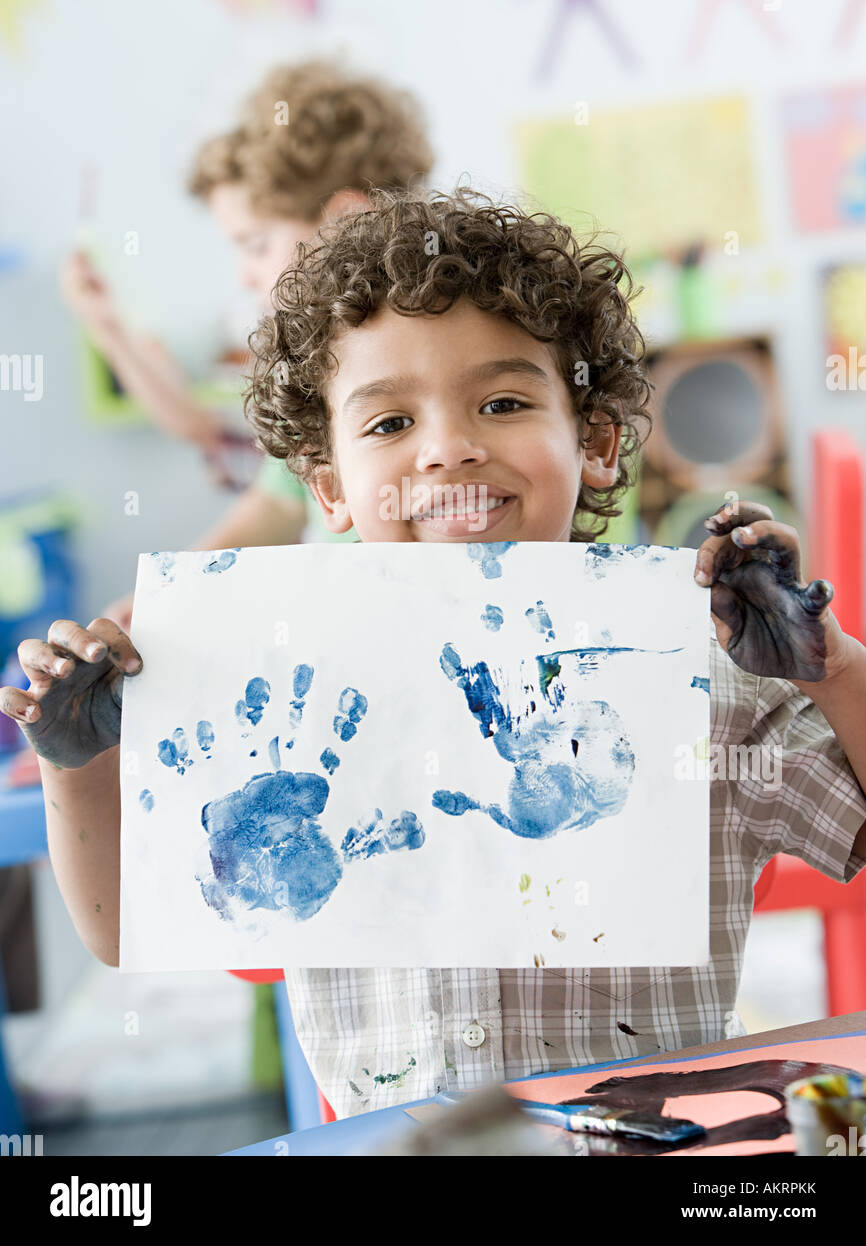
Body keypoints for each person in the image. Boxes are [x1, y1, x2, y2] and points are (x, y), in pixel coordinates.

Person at [6, 188, 866, 1121]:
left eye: (501, 402)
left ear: (599, 442)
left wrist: (836, 670)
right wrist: (76, 764)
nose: (449, 450)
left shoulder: (703, 666)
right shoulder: (276, 682)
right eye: (389, 424)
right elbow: (124, 929)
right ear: (329, 489)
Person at [61, 60, 434, 626]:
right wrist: (164, 600)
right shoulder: (309, 363)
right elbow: (275, 502)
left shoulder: (439, 345)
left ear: (345, 220)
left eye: (256, 244)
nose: (244, 274)